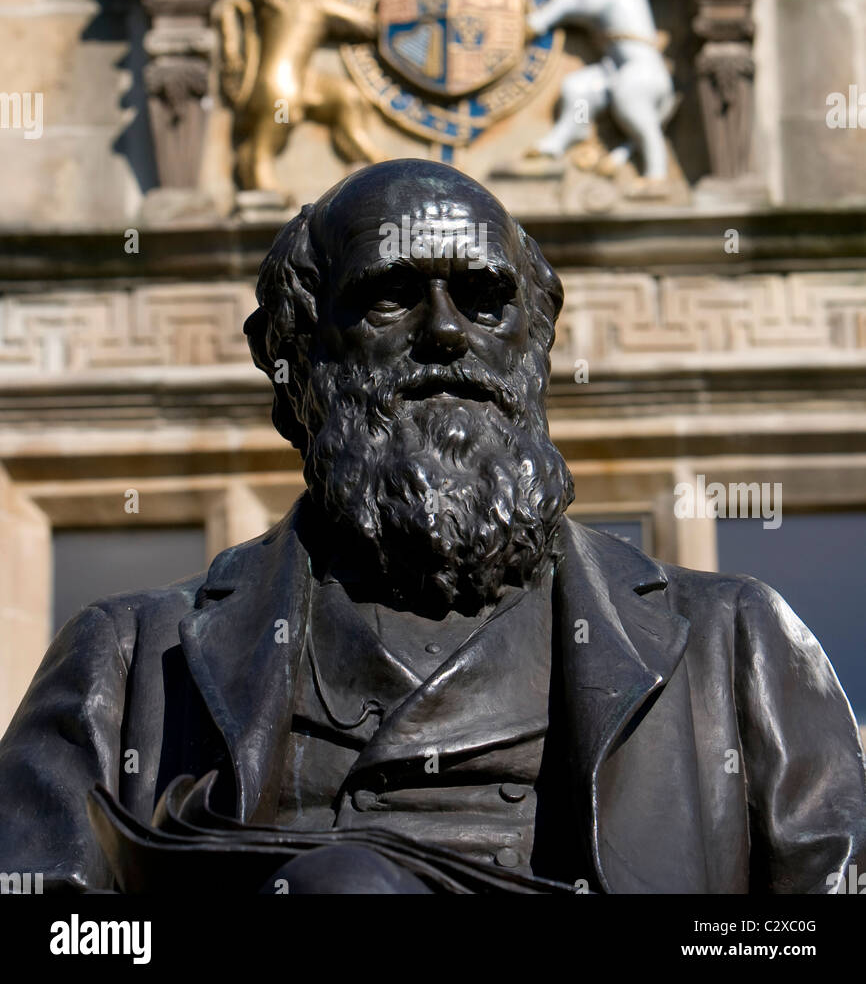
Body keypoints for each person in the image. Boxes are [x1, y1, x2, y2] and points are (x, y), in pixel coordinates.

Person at [0, 160, 863, 893]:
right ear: (302, 358)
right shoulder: (129, 662)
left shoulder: (736, 644)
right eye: (391, 298)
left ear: (532, 348)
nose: (444, 333)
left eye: (484, 300)